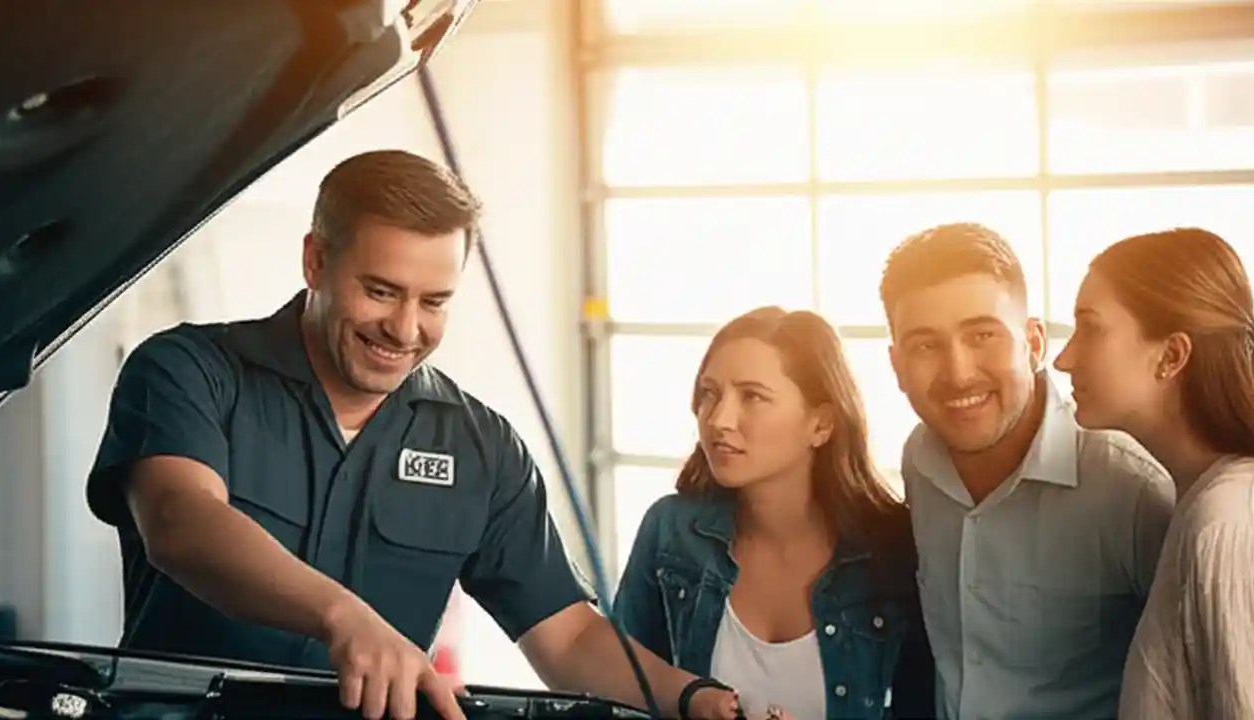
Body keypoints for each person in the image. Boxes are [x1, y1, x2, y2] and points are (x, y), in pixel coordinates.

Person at [85, 149, 740, 720]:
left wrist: (689, 697)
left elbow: (567, 638)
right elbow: (180, 520)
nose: (404, 329)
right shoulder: (187, 372)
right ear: (315, 260)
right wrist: (343, 617)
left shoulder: (484, 449)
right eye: (380, 291)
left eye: (434, 302)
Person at [878, 223, 1176, 719]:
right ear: (896, 365)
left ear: (1034, 343)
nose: (959, 373)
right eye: (926, 345)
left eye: (983, 335)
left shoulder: (1130, 487)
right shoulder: (919, 460)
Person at [614, 307, 935, 720]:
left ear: (821, 424)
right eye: (709, 393)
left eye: (753, 396)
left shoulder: (895, 550)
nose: (719, 419)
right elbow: (617, 692)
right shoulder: (671, 533)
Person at [1053, 227, 1254, 719]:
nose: (1063, 358)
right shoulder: (1203, 501)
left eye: (1091, 328)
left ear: (1171, 356)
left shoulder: (1225, 521)